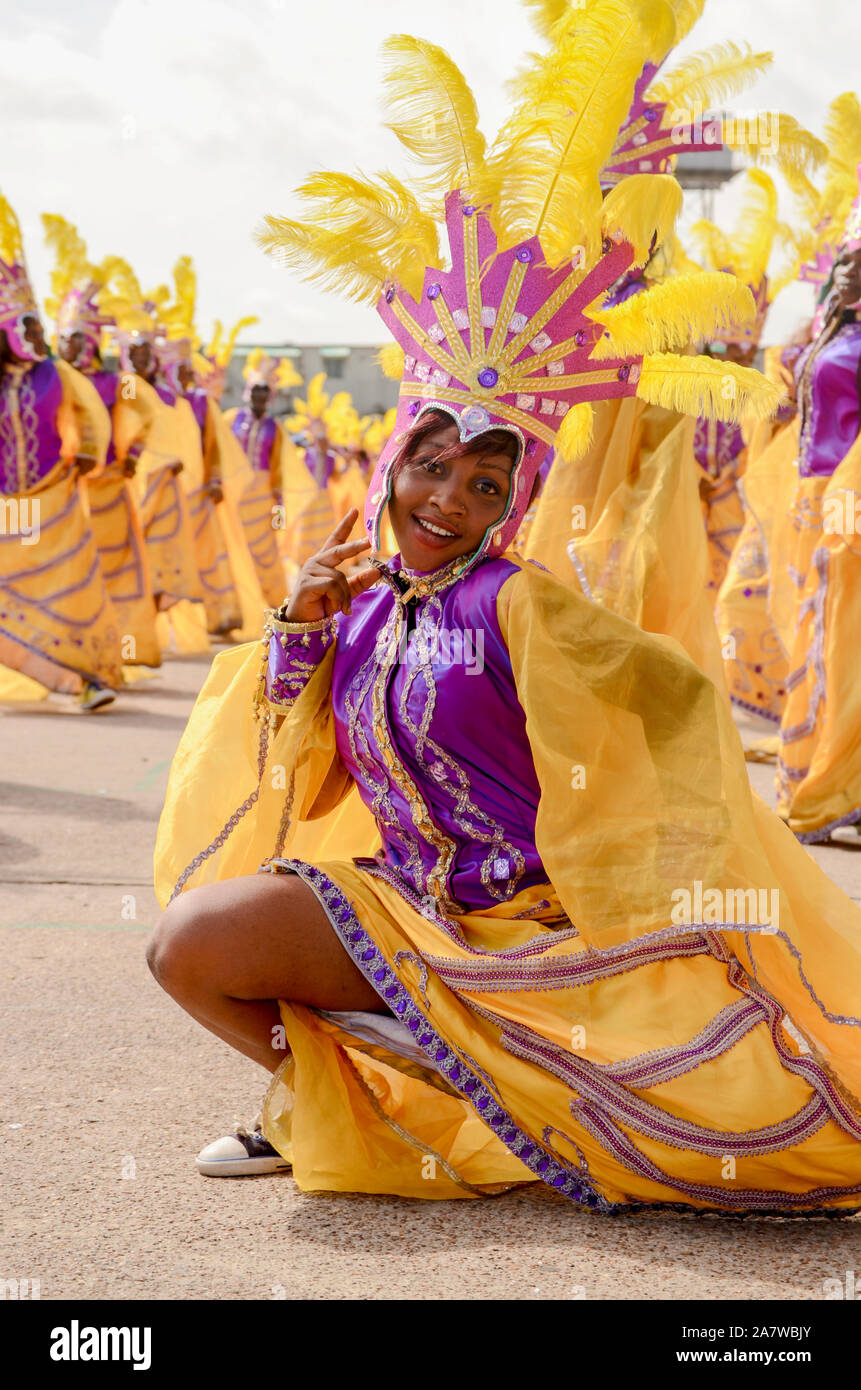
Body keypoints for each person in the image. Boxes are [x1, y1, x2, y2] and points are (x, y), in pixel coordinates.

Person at [148, 20, 861, 1212]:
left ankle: (479, 1075)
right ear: (392, 465)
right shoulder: (364, 604)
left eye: (488, 484)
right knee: (188, 943)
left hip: (526, 935)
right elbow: (297, 784)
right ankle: (342, 1096)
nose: (450, 500)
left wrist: (646, 890)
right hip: (400, 905)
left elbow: (680, 710)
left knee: (752, 1132)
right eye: (433, 467)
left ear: (514, 503)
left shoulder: (522, 603)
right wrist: (298, 636)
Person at [0, 191, 121, 710]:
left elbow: (90, 418)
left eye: (37, 323)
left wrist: (87, 456)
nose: (37, 332)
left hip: (53, 504)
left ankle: (82, 680)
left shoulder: (57, 374)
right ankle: (59, 680)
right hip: (7, 508)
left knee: (64, 595)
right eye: (27, 324)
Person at [776, 217, 861, 841]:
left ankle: (839, 782)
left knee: (842, 643)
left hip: (849, 506)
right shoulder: (833, 330)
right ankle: (821, 771)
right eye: (844, 257)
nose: (848, 266)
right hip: (812, 502)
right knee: (817, 640)